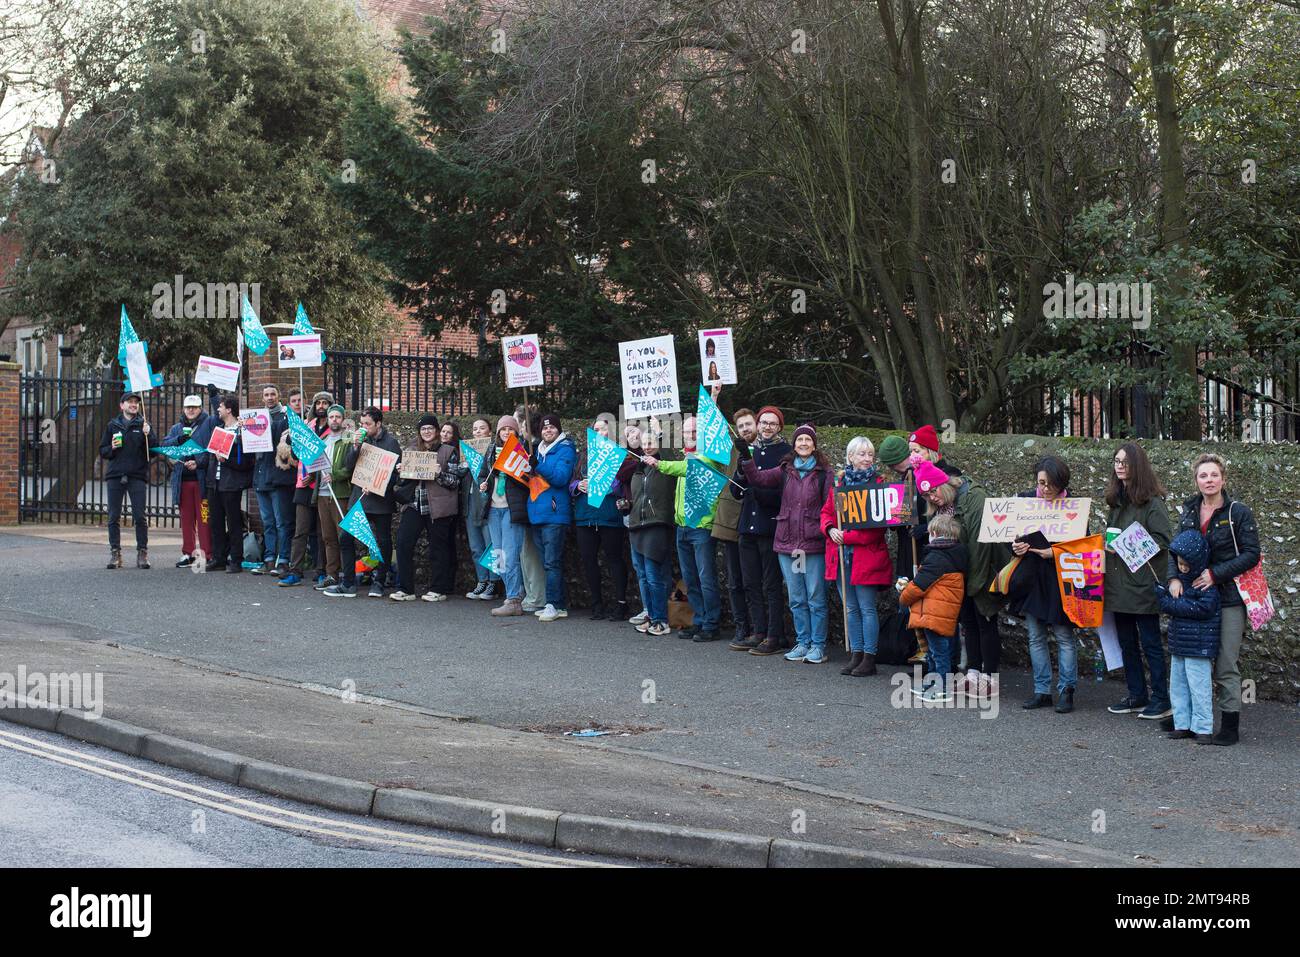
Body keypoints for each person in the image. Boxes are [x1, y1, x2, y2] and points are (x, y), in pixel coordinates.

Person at [1164, 453, 1259, 745]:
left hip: (1229, 595)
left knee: (1226, 662)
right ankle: (1189, 719)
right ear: (1196, 481)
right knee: (1189, 658)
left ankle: (1230, 724)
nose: (1209, 480)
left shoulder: (1238, 512)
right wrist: (1173, 578)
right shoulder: (1190, 509)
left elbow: (1251, 554)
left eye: (1214, 475)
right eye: (1203, 475)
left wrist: (1215, 574)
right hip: (1194, 594)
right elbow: (1176, 548)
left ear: (1223, 479)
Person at [737, 423, 832, 662]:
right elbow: (757, 478)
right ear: (794, 444)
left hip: (812, 544)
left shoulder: (824, 474)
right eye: (799, 440)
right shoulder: (784, 470)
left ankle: (818, 645)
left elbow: (831, 508)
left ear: (814, 445)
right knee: (797, 598)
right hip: (787, 543)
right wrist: (747, 458)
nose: (803, 444)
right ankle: (802, 642)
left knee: (815, 598)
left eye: (807, 440)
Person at [1104, 442, 1173, 721]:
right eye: (1116, 461)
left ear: (1137, 465)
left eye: (1125, 461)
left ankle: (1161, 698)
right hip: (1118, 585)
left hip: (1143, 585)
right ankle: (1136, 695)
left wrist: (1123, 544)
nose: (1119, 465)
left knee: (1151, 643)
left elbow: (1164, 540)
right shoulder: (1117, 501)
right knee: (1127, 643)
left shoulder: (1152, 503)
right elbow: (1113, 535)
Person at [643, 416, 724, 642]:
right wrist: (659, 430)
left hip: (701, 526)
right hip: (683, 526)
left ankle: (711, 623)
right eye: (688, 431)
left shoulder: (707, 457)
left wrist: (659, 464)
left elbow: (686, 468)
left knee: (705, 578)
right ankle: (699, 620)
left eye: (696, 431)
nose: (692, 434)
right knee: (691, 578)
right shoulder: (687, 455)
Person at [1012, 456, 1079, 713]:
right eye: (1042, 483)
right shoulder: (1025, 499)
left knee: (1063, 635)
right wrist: (1015, 547)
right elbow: (1011, 535)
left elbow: (1081, 545)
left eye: (1051, 484)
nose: (1046, 489)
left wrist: (1055, 553)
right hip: (1032, 577)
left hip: (1060, 577)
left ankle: (1066, 690)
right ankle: (1042, 691)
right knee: (1035, 636)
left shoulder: (1074, 506)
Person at [822, 437, 893, 676]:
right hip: (842, 556)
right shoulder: (839, 484)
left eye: (870, 454)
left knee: (866, 608)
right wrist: (831, 528)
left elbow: (877, 529)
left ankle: (869, 657)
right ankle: (856, 653)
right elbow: (826, 512)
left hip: (866, 556)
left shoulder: (879, 485)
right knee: (850, 608)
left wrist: (846, 537)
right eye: (861, 454)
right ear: (850, 457)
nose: (866, 458)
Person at [728, 405, 791, 654]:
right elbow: (735, 490)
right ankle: (758, 631)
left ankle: (775, 635)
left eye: (772, 423)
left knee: (771, 584)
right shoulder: (751, 450)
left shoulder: (786, 453)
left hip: (769, 525)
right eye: (763, 422)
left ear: (779, 427)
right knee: (751, 582)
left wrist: (758, 491)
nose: (767, 427)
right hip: (747, 526)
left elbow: (782, 495)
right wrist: (744, 467)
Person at [324, 407, 402, 598]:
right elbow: (350, 466)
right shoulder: (359, 439)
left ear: (378, 424)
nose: (364, 428)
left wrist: (377, 485)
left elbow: (395, 474)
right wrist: (356, 446)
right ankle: (348, 583)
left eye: (367, 424)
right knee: (345, 538)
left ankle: (379, 582)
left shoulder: (391, 443)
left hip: (380, 500)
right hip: (359, 497)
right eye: (362, 424)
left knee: (382, 541)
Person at [1156, 530, 1221, 744]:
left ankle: (1203, 727)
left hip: (1198, 646)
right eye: (1180, 564)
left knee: (1199, 687)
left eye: (1186, 564)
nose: (1182, 568)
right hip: (1180, 644)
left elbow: (1201, 608)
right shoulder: (1180, 582)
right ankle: (1182, 724)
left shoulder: (1205, 585)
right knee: (1178, 685)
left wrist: (1170, 603)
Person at [391, 414, 462, 602]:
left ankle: (438, 589)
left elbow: (455, 481)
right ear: (419, 432)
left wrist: (439, 473)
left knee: (438, 548)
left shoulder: (448, 451)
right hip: (414, 505)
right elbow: (403, 481)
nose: (427, 432)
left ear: (437, 431)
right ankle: (406, 589)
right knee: (403, 543)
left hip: (438, 507)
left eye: (430, 428)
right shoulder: (412, 450)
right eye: (423, 429)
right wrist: (400, 471)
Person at [897, 513, 967, 702]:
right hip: (941, 610)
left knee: (937, 651)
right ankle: (933, 681)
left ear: (934, 533)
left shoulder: (936, 557)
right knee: (935, 650)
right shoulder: (955, 554)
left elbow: (918, 586)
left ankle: (942, 687)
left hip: (935, 611)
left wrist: (903, 595)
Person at [875, 434, 928, 666]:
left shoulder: (923, 476)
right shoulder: (900, 480)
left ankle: (926, 649)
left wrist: (923, 528)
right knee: (905, 594)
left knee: (922, 598)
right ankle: (910, 645)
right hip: (907, 547)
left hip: (924, 548)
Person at [571, 418, 629, 621]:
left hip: (609, 516)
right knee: (589, 561)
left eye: (602, 429)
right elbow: (571, 482)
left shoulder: (619, 455)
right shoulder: (582, 456)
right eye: (594, 429)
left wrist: (603, 484)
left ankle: (621, 604)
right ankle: (597, 604)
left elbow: (623, 485)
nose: (598, 432)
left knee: (614, 560)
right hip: (585, 516)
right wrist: (578, 485)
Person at [625, 426, 678, 636]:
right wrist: (627, 506)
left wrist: (659, 430)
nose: (647, 446)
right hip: (637, 525)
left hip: (657, 525)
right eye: (644, 443)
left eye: (651, 442)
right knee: (643, 575)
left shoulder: (665, 464)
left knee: (654, 575)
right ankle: (651, 616)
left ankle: (661, 620)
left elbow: (669, 451)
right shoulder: (639, 468)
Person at [526, 412, 576, 621]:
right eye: (545, 428)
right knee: (548, 562)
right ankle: (559, 604)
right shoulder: (537, 450)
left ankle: (553, 604)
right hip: (537, 512)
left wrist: (537, 465)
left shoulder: (565, 449)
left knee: (552, 562)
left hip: (555, 514)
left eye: (552, 427)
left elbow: (560, 477)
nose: (548, 430)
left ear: (558, 429)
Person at [480, 415, 531, 616]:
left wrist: (511, 469)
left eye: (510, 430)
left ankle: (513, 600)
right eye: (503, 430)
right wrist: (483, 484)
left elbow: (527, 479)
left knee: (510, 557)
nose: (506, 433)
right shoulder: (492, 450)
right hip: (493, 509)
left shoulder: (522, 451)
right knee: (498, 557)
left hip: (512, 510)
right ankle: (515, 593)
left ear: (516, 432)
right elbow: (484, 474)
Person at [199, 394, 254, 573]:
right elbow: (211, 457)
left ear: (229, 409)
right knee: (215, 522)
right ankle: (219, 557)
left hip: (231, 484)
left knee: (234, 522)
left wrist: (226, 460)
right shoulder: (219, 429)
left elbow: (246, 462)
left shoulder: (241, 431)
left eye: (221, 406)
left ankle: (236, 560)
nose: (218, 409)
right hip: (214, 483)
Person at [711, 407, 752, 644]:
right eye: (741, 426)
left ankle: (760, 629)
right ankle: (741, 627)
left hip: (756, 522)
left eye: (749, 424)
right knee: (735, 580)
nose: (745, 429)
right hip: (731, 519)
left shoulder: (764, 450)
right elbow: (711, 429)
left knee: (754, 581)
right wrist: (714, 397)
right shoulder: (729, 449)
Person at [99, 391, 153, 569]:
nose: (133, 404)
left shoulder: (143, 425)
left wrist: (149, 435)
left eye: (136, 402)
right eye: (129, 402)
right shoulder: (112, 425)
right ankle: (115, 554)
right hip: (115, 475)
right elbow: (103, 451)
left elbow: (152, 452)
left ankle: (142, 554)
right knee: (113, 516)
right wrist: (112, 448)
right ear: (121, 405)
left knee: (140, 516)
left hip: (137, 476)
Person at [161, 394, 211, 568]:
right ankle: (188, 553)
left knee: (204, 518)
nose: (191, 410)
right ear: (183, 409)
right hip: (182, 481)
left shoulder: (208, 425)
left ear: (200, 408)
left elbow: (212, 449)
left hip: (202, 479)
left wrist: (198, 462)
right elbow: (165, 445)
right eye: (188, 407)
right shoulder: (176, 428)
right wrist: (178, 440)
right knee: (187, 519)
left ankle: (207, 553)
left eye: (194, 407)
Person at [250, 385, 293, 576]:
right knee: (267, 522)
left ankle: (283, 559)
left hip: (277, 478)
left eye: (272, 394)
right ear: (262, 398)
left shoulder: (285, 418)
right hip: (260, 477)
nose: (269, 398)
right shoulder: (254, 418)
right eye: (266, 395)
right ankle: (269, 558)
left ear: (278, 396)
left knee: (281, 521)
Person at [462, 418, 500, 601]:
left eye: (481, 428)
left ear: (490, 432)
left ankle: (494, 581)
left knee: (490, 544)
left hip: (486, 502)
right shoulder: (466, 451)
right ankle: (482, 580)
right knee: (476, 546)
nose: (477, 431)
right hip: (470, 502)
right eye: (474, 428)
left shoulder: (492, 450)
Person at [514, 405, 547, 612]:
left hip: (533, 504)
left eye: (520, 423)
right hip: (526, 505)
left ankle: (537, 596)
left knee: (531, 554)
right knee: (525, 553)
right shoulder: (527, 446)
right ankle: (530, 594)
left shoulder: (535, 449)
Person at [310, 405, 347, 591]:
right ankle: (331, 574)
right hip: (323, 493)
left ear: (343, 419)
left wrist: (336, 475)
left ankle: (346, 575)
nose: (334, 419)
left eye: (337, 416)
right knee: (328, 537)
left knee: (344, 536)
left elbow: (351, 466)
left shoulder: (348, 440)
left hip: (340, 494)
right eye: (331, 416)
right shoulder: (322, 440)